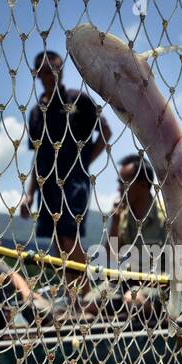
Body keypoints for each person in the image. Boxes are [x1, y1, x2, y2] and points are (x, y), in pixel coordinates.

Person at [20, 47, 111, 292]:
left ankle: (89, 292)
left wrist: (84, 164)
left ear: (62, 70)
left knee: (69, 235)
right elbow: (38, 154)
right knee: (57, 241)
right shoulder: (36, 111)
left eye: (54, 68)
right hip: (46, 184)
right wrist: (29, 193)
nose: (49, 74)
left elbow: (106, 133)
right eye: (44, 70)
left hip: (73, 181)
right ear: (36, 74)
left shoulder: (78, 99)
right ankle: (75, 295)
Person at [86, 153, 168, 318]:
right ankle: (132, 309)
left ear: (144, 185)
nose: (119, 188)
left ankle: (151, 310)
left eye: (124, 183)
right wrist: (115, 223)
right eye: (119, 183)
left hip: (157, 283)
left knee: (133, 301)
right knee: (88, 302)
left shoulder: (165, 218)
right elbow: (111, 255)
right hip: (126, 281)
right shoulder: (123, 216)